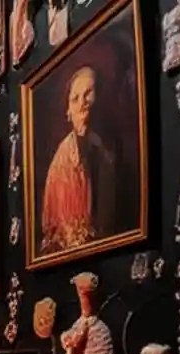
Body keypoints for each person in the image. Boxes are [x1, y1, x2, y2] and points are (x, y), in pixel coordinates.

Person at [40, 66, 116, 252]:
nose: (83, 102)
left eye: (88, 93)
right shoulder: (63, 159)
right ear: (68, 112)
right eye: (75, 98)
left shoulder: (102, 148)